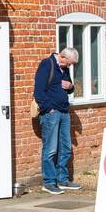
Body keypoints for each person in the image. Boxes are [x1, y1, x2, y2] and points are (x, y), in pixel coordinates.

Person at [34, 46, 80, 194]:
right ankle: (48, 182)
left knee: (66, 147)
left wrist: (70, 86)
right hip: (51, 114)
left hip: (64, 112)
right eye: (70, 63)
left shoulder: (64, 68)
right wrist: (49, 109)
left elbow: (70, 87)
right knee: (51, 149)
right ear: (63, 57)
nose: (70, 66)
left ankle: (62, 179)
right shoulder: (47, 64)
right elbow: (38, 91)